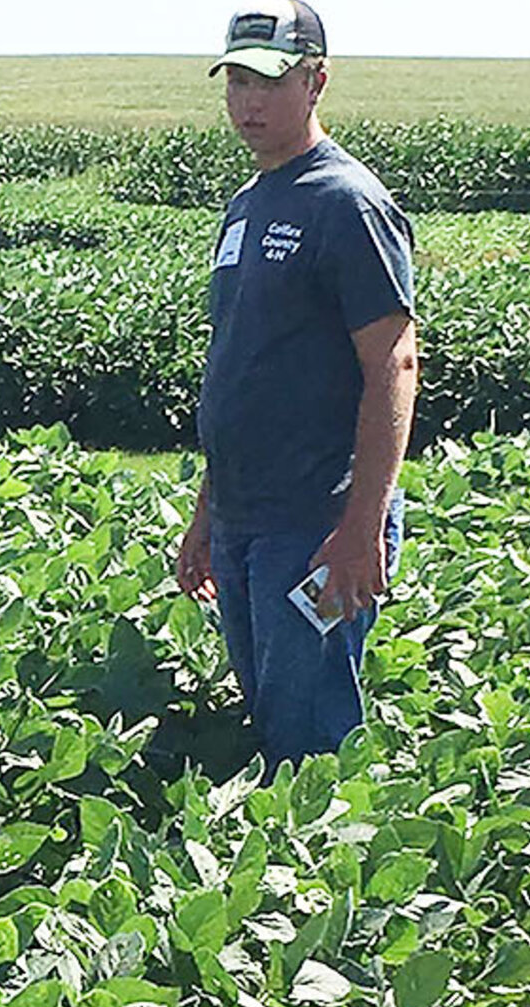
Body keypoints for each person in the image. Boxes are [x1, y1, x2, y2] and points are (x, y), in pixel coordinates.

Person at [173, 0, 418, 771]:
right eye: (237, 80)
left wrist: (361, 523)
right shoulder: (247, 206)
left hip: (316, 523)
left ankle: (328, 885)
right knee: (272, 722)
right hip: (247, 519)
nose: (248, 102)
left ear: (316, 82)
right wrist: (209, 513)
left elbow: (393, 361)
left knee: (309, 749)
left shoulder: (345, 202)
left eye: (269, 82)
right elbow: (248, 372)